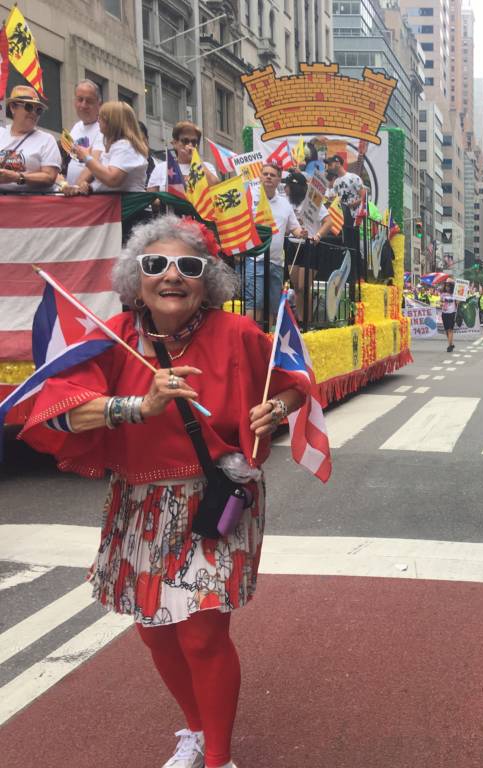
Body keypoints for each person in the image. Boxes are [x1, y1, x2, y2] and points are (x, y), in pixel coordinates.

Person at [19, 215, 310, 768]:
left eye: (189, 266)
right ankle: (197, 729)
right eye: (155, 265)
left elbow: (294, 380)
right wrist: (139, 406)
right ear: (136, 278)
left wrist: (277, 409)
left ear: (209, 281)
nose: (172, 276)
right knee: (156, 633)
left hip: (217, 497)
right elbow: (56, 412)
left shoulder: (238, 334)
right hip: (139, 503)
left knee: (201, 634)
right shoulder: (111, 338)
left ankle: (219, 758)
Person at [241, 163, 308, 322]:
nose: (268, 177)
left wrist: (302, 233)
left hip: (276, 263)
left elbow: (295, 229)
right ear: (260, 176)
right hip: (254, 259)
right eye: (265, 174)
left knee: (274, 307)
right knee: (254, 305)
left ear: (279, 179)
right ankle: (250, 342)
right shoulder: (249, 197)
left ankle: (270, 341)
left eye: (272, 175)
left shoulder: (285, 203)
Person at [65, 101, 149, 194]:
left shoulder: (126, 146)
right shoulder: (116, 146)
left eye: (101, 117)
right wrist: (90, 187)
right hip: (115, 204)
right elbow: (105, 183)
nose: (98, 121)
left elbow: (112, 179)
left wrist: (87, 158)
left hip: (124, 206)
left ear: (112, 122)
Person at [0, 85, 60, 191]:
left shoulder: (46, 140)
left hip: (30, 204)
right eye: (29, 107)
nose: (34, 113)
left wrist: (17, 177)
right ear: (13, 107)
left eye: (38, 110)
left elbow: (50, 177)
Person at [147, 121, 218, 192]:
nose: (190, 145)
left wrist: (196, 160)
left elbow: (215, 186)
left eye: (194, 142)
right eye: (185, 141)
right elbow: (151, 196)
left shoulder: (207, 167)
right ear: (175, 143)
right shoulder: (161, 168)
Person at [65, 79, 104, 186]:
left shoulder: (104, 128)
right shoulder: (76, 127)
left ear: (99, 104)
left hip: (89, 195)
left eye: (89, 101)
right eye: (80, 99)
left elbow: (96, 163)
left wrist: (76, 187)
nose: (83, 105)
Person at [440, 279, 457, 353]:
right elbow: (440, 301)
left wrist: (458, 302)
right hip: (444, 313)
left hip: (452, 313)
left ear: (451, 286)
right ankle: (451, 343)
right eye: (446, 285)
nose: (447, 287)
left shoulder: (454, 294)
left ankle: (450, 346)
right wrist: (441, 303)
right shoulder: (443, 294)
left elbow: (457, 303)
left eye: (448, 286)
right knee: (446, 330)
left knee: (450, 329)